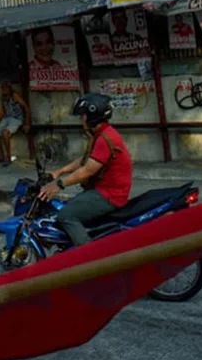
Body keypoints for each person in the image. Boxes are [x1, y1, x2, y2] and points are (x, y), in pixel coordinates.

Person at [37, 93, 132, 246]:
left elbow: (87, 170)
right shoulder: (102, 134)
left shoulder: (105, 139)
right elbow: (85, 159)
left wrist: (58, 185)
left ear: (91, 116)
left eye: (82, 116)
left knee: (66, 215)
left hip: (109, 194)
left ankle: (88, 257)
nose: (81, 119)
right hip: (104, 190)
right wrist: (59, 171)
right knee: (68, 205)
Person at [0, 81, 29, 166]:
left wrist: (27, 123)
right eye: (2, 88)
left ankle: (8, 157)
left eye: (5, 88)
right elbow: (2, 111)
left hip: (17, 119)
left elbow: (26, 107)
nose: (4, 90)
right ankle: (1, 156)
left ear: (9, 88)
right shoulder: (3, 97)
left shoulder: (15, 95)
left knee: (5, 132)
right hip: (7, 118)